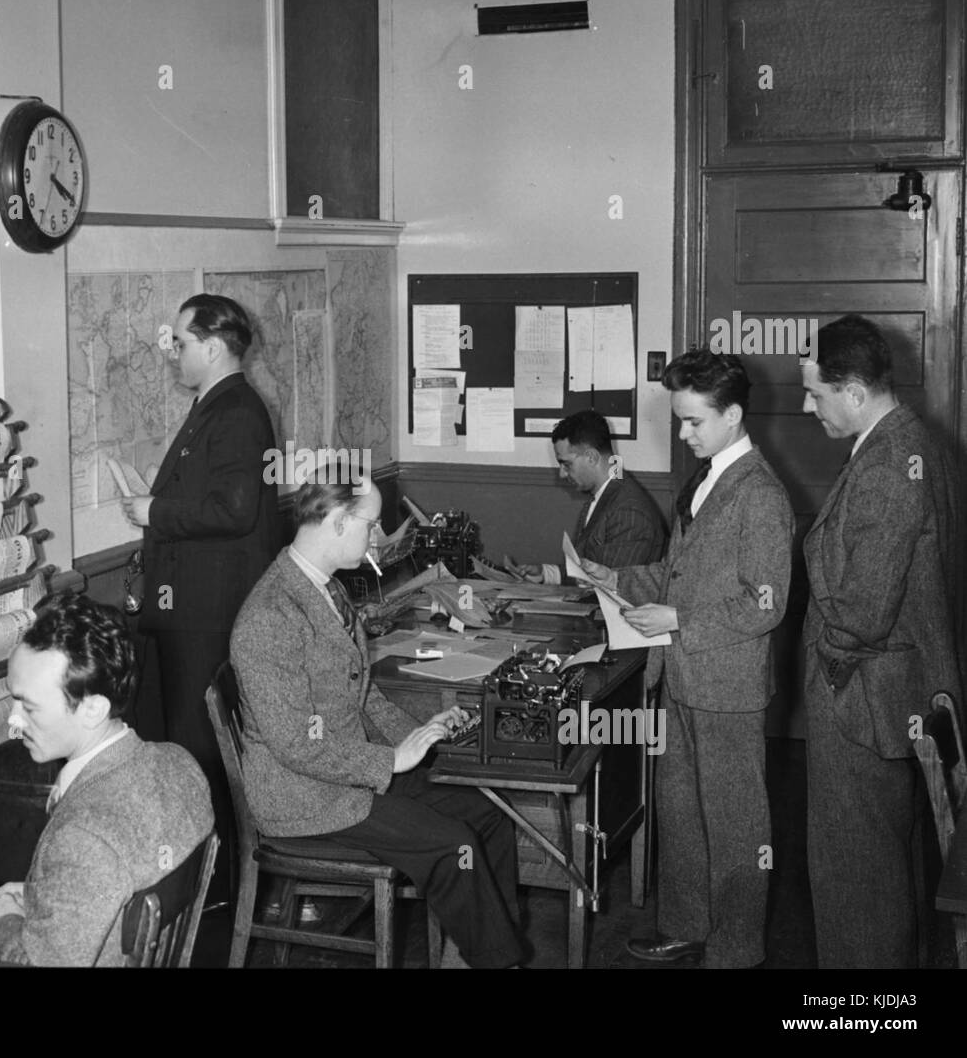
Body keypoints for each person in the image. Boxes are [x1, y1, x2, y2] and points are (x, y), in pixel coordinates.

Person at [230, 466, 529, 968]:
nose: (378, 537)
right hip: (304, 797)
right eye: (372, 525)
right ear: (339, 521)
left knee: (488, 814)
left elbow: (362, 696)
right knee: (452, 843)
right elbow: (296, 747)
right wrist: (391, 760)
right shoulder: (269, 618)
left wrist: (418, 735)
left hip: (345, 774)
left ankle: (484, 954)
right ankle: (500, 960)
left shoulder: (326, 588)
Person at [583, 349, 793, 968]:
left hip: (727, 684)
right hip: (682, 674)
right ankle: (685, 924)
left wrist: (678, 620)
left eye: (694, 421)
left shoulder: (759, 494)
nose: (682, 433)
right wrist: (614, 574)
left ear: (731, 415)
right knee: (681, 810)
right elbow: (682, 573)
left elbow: (767, 601)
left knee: (734, 825)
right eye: (678, 419)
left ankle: (735, 949)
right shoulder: (705, 478)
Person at [800, 314, 962, 968]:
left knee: (856, 883)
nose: (808, 407)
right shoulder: (907, 443)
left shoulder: (891, 461)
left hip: (864, 707)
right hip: (893, 699)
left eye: (816, 393)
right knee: (891, 868)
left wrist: (831, 671)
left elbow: (862, 612)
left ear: (856, 392)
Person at [120, 293, 283, 902]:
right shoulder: (217, 405)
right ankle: (215, 890)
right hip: (192, 609)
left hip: (207, 615)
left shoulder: (236, 410)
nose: (174, 355)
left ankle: (220, 895)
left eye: (182, 343)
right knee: (198, 748)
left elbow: (235, 509)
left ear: (213, 347)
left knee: (205, 751)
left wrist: (154, 510)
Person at [0, 592, 213, 966]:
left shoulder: (83, 839)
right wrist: (45, 894)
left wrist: (1, 923)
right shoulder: (180, 764)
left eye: (29, 705)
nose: (13, 720)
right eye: (13, 700)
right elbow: (116, 875)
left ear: (92, 708)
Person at [511, 409, 666, 582]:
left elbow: (613, 589)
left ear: (591, 457)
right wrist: (547, 574)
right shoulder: (605, 495)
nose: (562, 474)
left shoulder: (628, 511)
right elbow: (590, 569)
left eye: (566, 464)